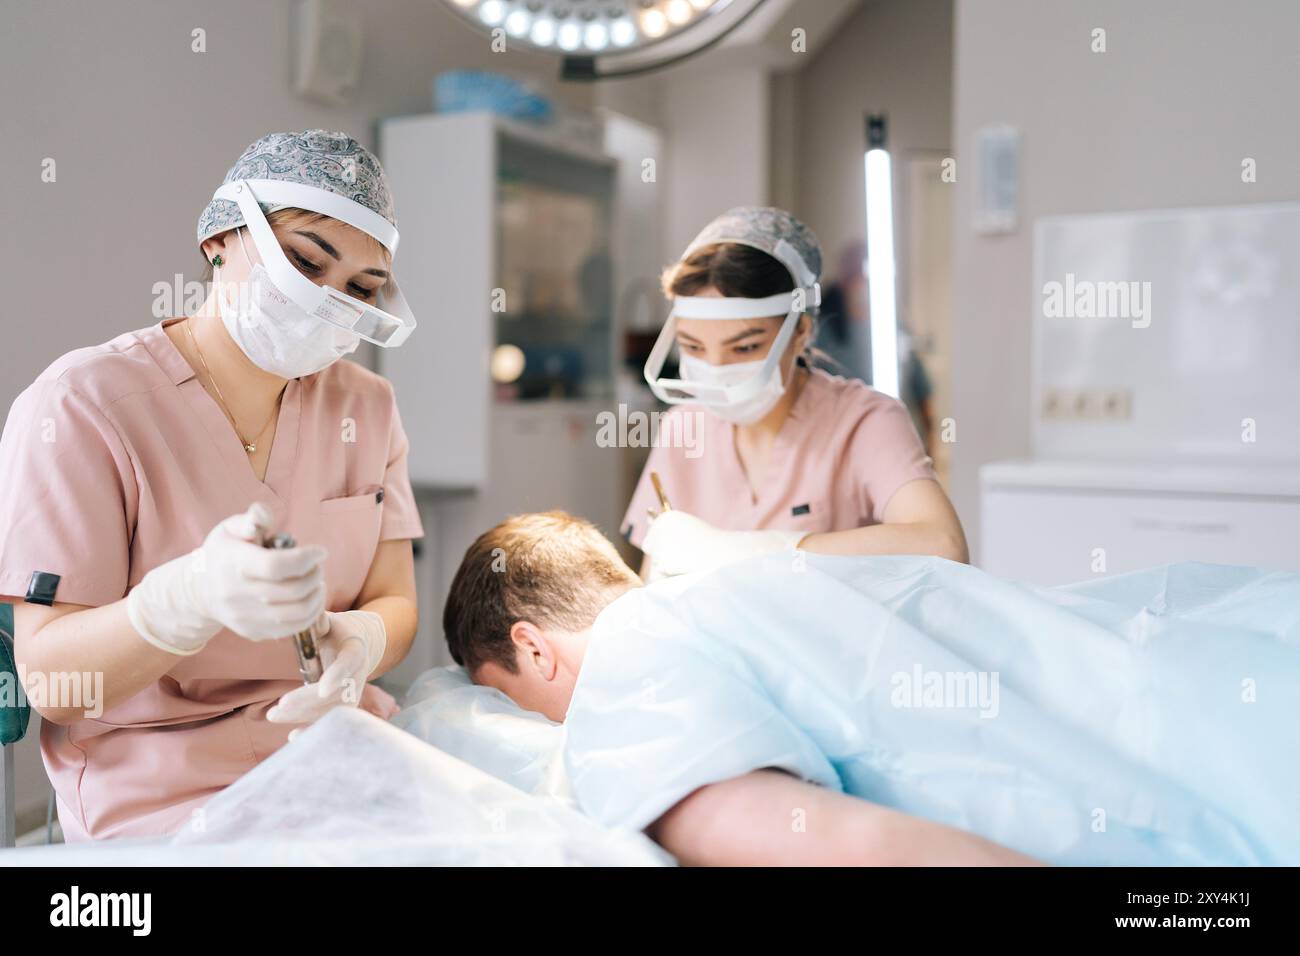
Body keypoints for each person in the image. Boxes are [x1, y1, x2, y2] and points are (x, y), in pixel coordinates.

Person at [442, 512, 1299, 867]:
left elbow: (853, 848)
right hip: (1229, 659)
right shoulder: (761, 585)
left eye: (515, 703)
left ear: (534, 650)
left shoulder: (626, 671)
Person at [0, 130, 425, 840]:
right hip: (162, 792)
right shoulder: (83, 405)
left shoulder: (365, 407)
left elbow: (396, 601)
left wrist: (360, 641)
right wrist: (183, 602)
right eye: (302, 260)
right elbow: (51, 681)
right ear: (220, 238)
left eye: (359, 288)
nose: (326, 301)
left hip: (337, 757)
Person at [629, 208, 965, 582]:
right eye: (693, 347)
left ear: (800, 330)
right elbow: (650, 593)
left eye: (744, 348)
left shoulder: (864, 421)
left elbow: (944, 545)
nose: (717, 371)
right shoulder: (683, 429)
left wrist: (755, 550)